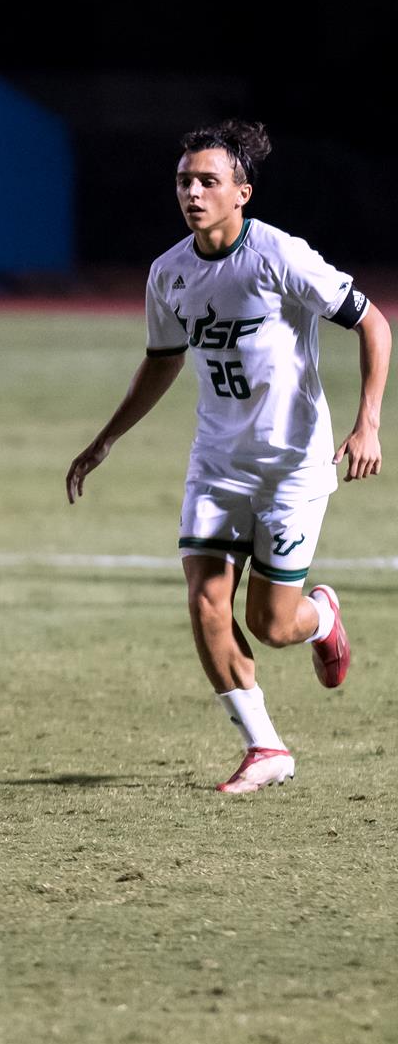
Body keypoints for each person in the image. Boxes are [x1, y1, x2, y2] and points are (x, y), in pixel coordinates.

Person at [67, 119, 387, 793]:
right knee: (206, 601)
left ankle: (322, 617)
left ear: (242, 191)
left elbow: (373, 323)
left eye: (207, 181)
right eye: (184, 180)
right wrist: (107, 438)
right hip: (217, 465)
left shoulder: (278, 255)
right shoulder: (169, 273)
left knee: (272, 624)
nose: (192, 192)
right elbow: (161, 360)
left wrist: (368, 423)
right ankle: (265, 747)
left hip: (291, 466)